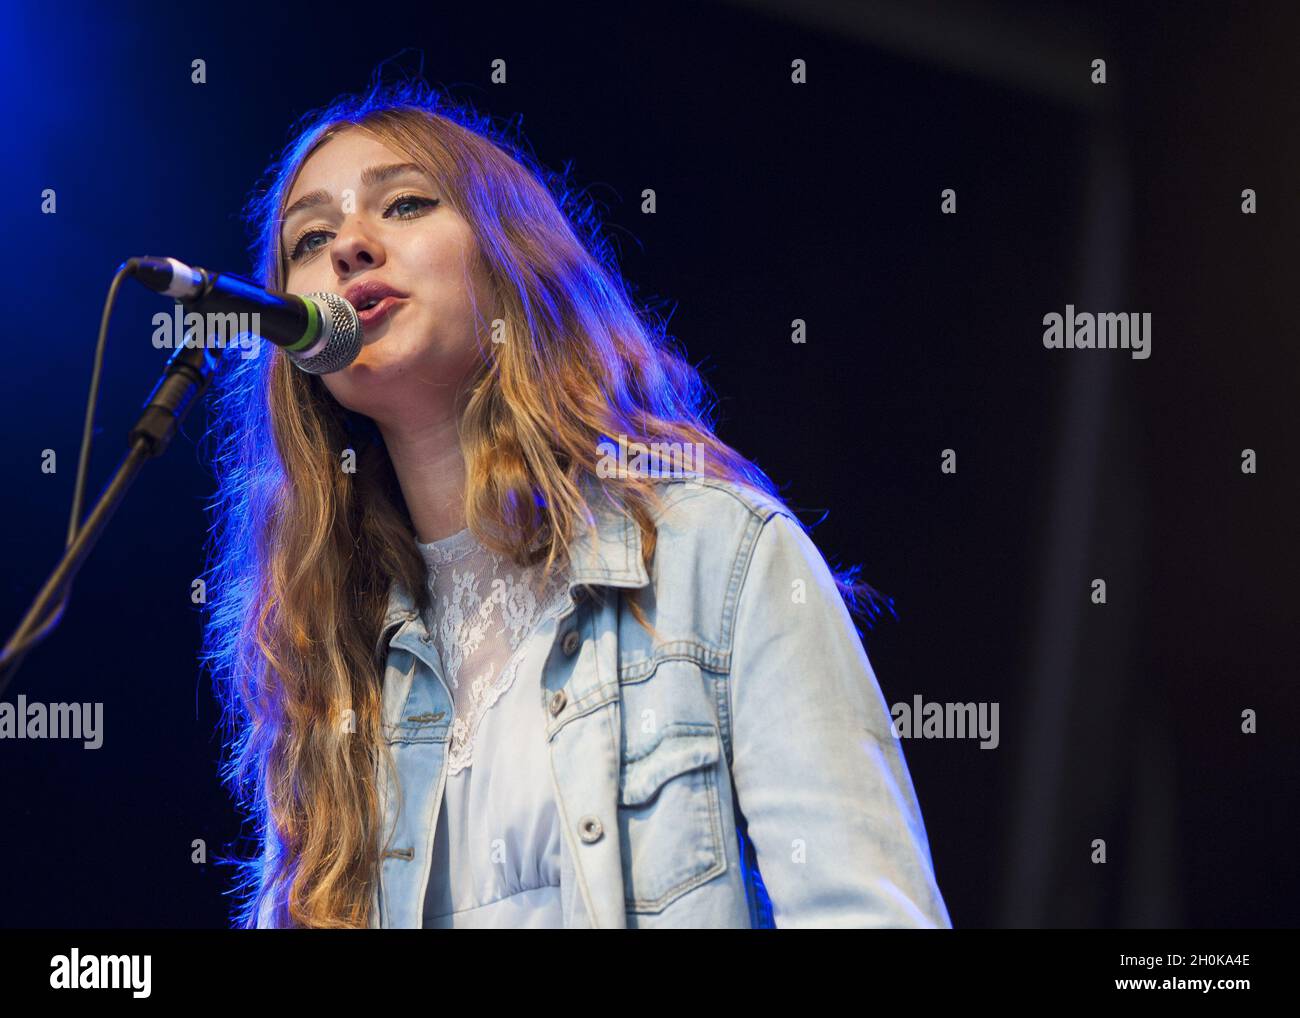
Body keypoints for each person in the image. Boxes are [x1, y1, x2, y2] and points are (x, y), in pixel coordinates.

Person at [200, 79, 952, 929]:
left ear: (510, 257)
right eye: (311, 238)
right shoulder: (330, 650)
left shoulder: (715, 553)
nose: (349, 249)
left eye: (405, 204)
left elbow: (866, 912)